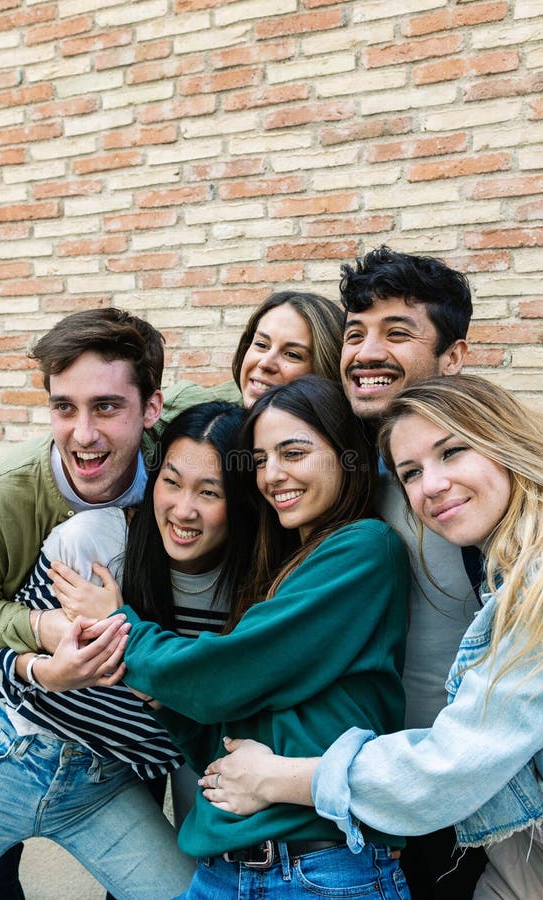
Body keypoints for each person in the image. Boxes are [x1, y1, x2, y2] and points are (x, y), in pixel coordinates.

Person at [198, 246, 489, 899]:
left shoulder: (477, 477)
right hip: (350, 795)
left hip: (450, 795)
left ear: (454, 357)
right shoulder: (340, 472)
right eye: (356, 333)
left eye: (397, 332)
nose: (368, 350)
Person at [50, 375, 412, 900]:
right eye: (261, 460)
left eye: (294, 453)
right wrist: (162, 699)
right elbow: (219, 735)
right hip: (223, 871)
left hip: (319, 871)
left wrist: (121, 629)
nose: (274, 475)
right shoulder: (280, 571)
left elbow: (229, 676)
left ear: (346, 454)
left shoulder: (365, 549)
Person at [201, 375, 543, 900]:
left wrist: (276, 778)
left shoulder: (542, 580)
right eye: (411, 472)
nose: (431, 486)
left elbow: (450, 765)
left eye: (452, 452)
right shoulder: (505, 575)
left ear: (506, 442)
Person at [0, 400, 256, 897]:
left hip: (106, 785)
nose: (183, 509)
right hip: (10, 752)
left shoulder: (248, 592)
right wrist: (44, 672)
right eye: (172, 483)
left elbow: (209, 706)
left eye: (210, 492)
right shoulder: (97, 540)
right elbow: (8, 645)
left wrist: (130, 644)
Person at [0, 307, 167, 899]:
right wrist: (39, 630)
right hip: (17, 727)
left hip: (124, 747)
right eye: (63, 407)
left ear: (151, 408)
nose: (83, 433)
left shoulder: (181, 462)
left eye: (106, 406)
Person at [157, 288, 344, 425]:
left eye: (292, 355)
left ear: (324, 372)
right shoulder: (186, 409)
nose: (265, 363)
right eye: (261, 345)